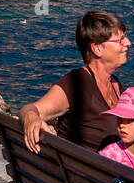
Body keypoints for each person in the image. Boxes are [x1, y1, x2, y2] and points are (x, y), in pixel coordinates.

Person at [18, 10, 127, 154]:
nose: (128, 43)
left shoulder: (115, 84)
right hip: (88, 174)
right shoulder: (77, 84)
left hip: (99, 172)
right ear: (97, 48)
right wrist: (31, 118)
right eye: (120, 40)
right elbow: (31, 109)